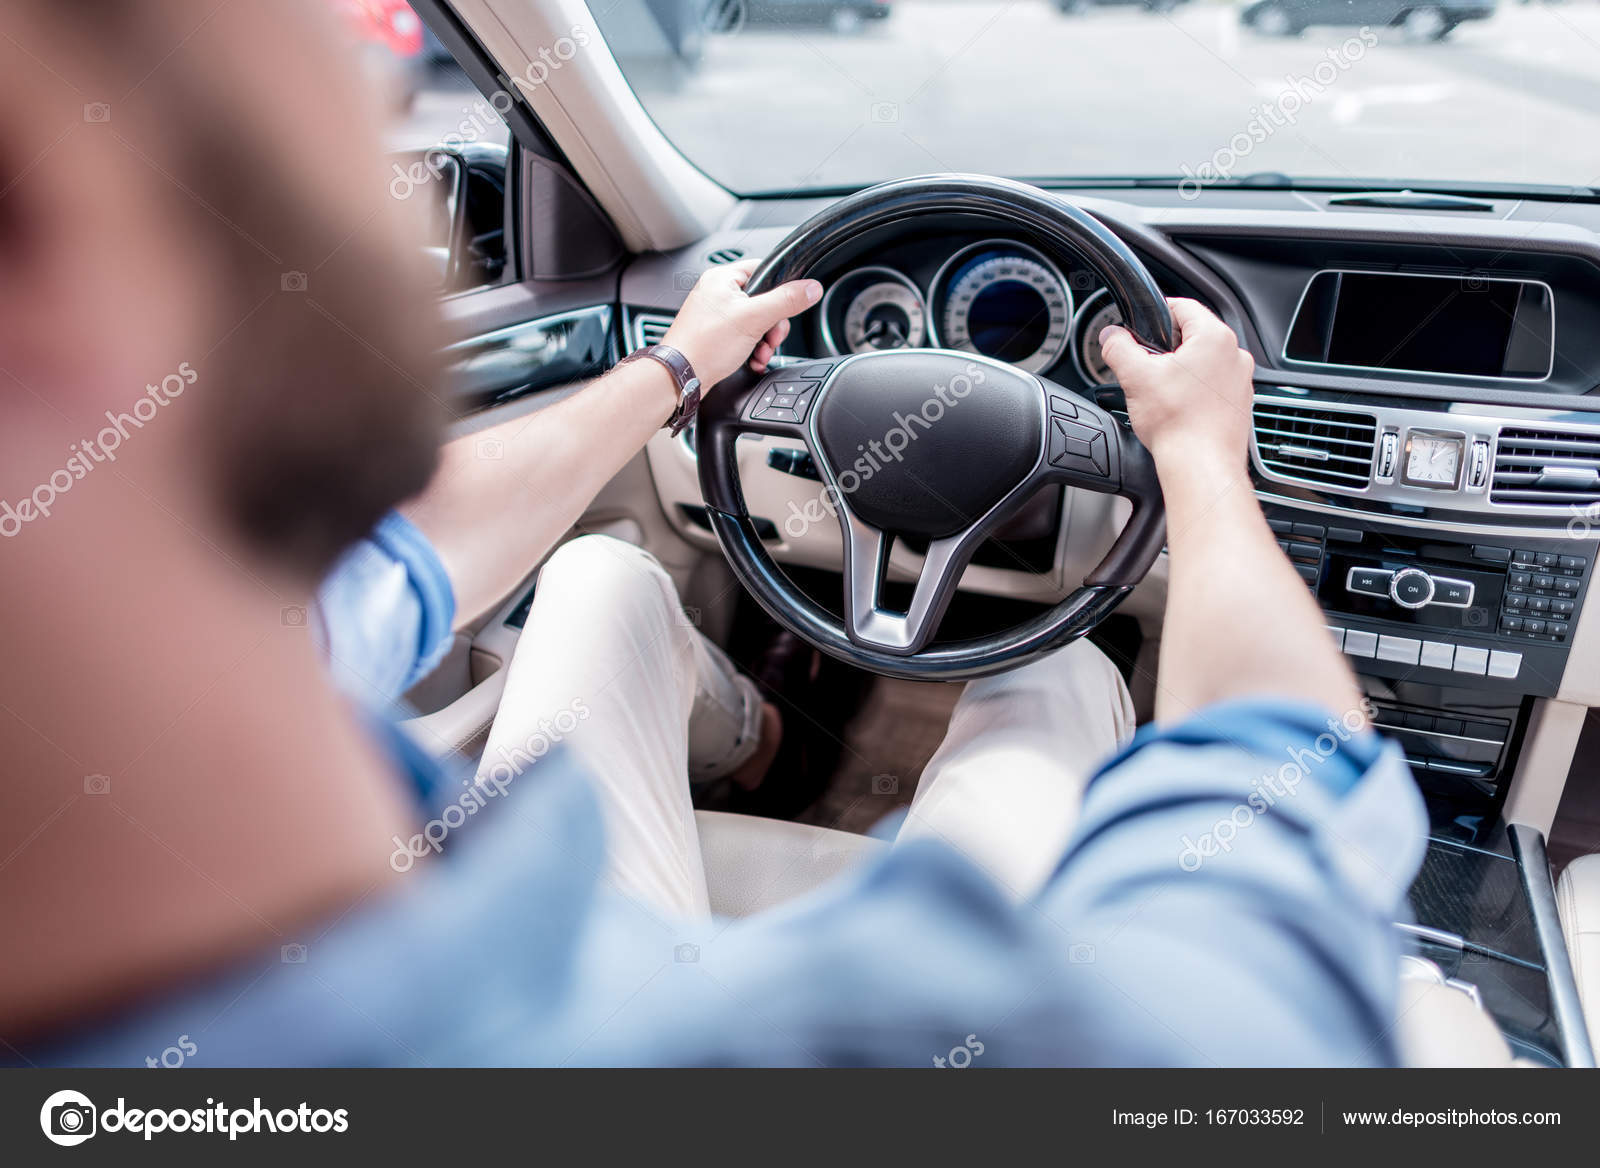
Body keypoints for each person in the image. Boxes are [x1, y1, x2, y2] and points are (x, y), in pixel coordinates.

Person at [0, 0, 1424, 1066]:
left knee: (611, 577)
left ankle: (775, 751)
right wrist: (1200, 463)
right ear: (61, 196)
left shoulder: (210, 632)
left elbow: (406, 565)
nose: (371, 68)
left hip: (519, 939)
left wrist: (677, 372)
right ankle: (994, 705)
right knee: (1049, 682)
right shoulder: (1057, 1043)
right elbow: (1281, 781)